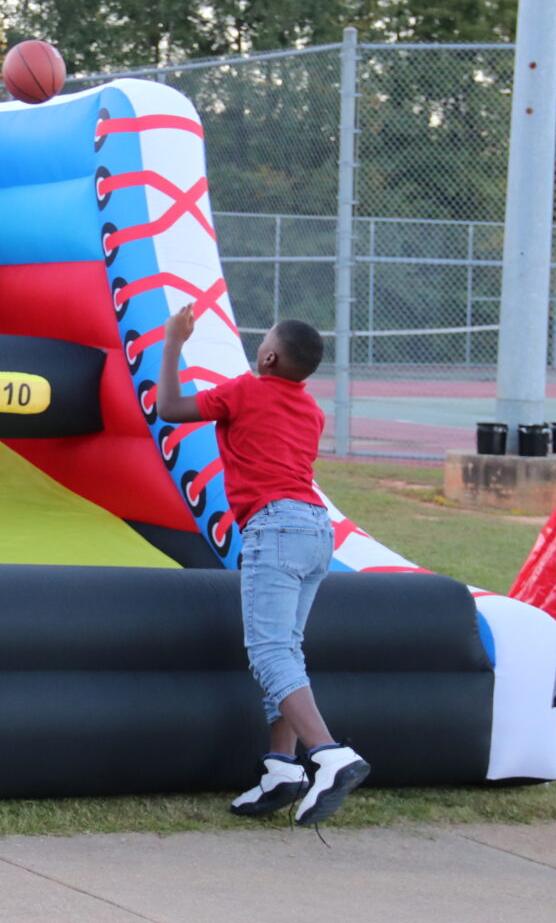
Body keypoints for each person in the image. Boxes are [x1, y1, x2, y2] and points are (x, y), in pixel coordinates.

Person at [157, 304, 369, 826]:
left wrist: (173, 342)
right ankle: (281, 767)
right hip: (318, 530)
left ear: (269, 356)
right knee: (287, 650)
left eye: (263, 340)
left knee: (269, 651)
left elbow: (168, 406)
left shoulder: (246, 390)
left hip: (274, 527)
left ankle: (328, 754)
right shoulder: (311, 411)